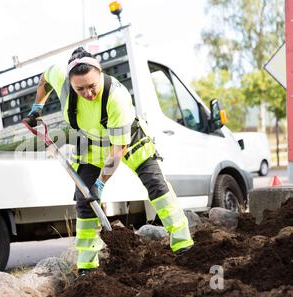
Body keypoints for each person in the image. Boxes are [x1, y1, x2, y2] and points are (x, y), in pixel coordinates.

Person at [24, 47, 194, 276]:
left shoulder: (117, 97)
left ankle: (183, 245)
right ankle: (87, 265)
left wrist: (101, 184)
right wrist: (37, 107)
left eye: (92, 86)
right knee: (84, 200)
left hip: (129, 142)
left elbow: (117, 151)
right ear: (70, 82)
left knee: (156, 185)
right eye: (80, 88)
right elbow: (45, 78)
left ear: (101, 73)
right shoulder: (62, 80)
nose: (88, 93)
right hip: (93, 144)